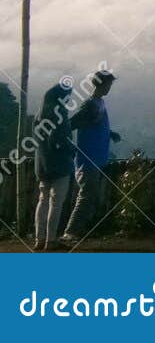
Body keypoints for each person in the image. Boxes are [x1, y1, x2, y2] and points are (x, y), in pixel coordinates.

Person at [60, 69, 119, 245]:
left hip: (96, 158)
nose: (109, 87)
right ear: (101, 84)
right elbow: (71, 124)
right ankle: (70, 233)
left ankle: (78, 231)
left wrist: (110, 133)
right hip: (88, 159)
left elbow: (95, 125)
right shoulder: (90, 105)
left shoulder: (99, 103)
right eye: (108, 84)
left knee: (89, 196)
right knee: (86, 196)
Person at [31, 81, 76, 251]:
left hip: (42, 164)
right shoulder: (60, 113)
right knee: (56, 203)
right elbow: (61, 139)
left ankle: (39, 239)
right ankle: (51, 241)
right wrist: (72, 150)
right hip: (60, 164)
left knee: (42, 201)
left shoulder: (39, 115)